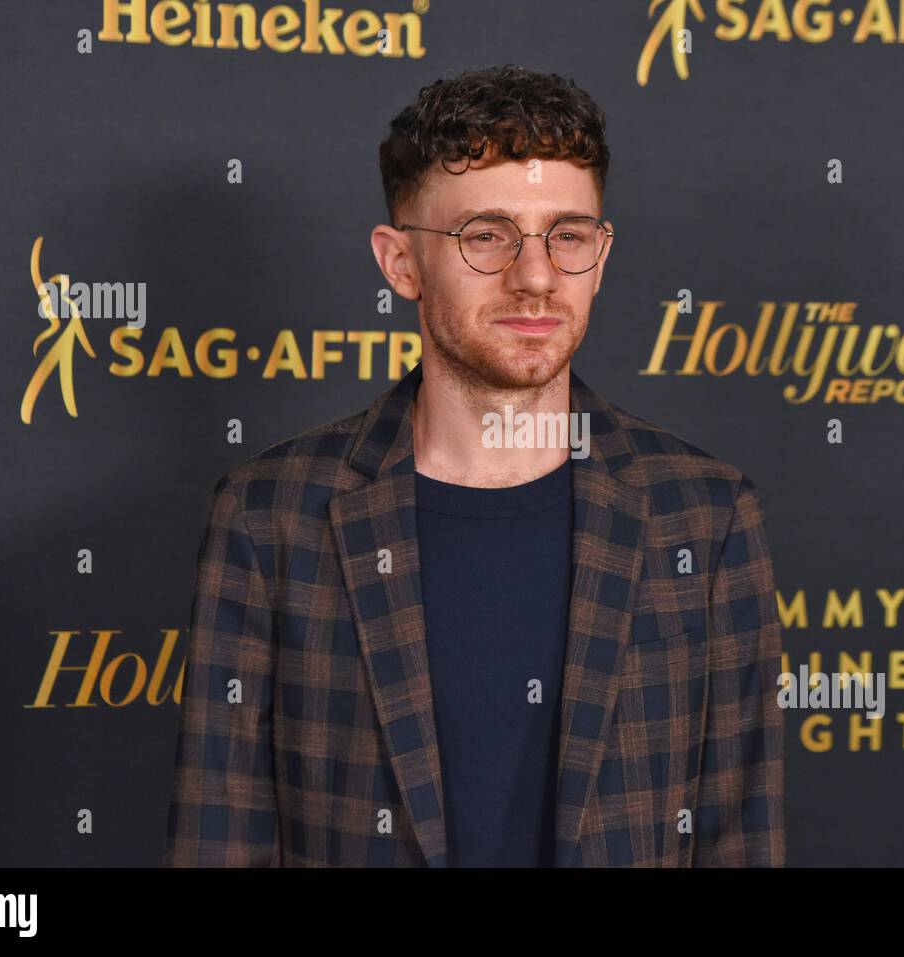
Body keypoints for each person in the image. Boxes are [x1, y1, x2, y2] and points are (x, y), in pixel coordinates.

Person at [163, 64, 785, 867]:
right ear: (401, 263)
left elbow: (740, 839)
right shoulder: (271, 517)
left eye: (567, 234)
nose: (535, 276)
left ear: (600, 252)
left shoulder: (705, 517)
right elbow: (219, 842)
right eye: (485, 235)